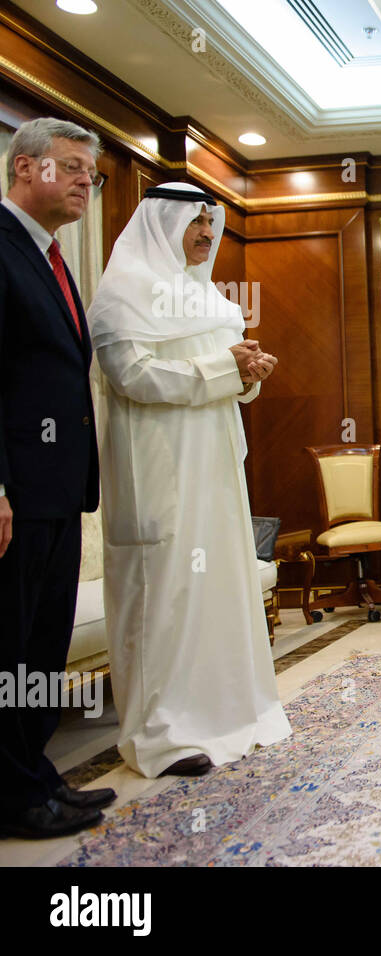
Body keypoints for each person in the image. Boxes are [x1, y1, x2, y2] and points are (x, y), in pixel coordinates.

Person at [87, 182, 290, 778]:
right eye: (194, 221)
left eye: (211, 221)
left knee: (218, 592)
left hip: (216, 472)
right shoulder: (122, 293)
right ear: (159, 223)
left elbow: (229, 379)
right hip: (158, 475)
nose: (206, 232)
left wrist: (249, 372)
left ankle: (227, 715)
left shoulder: (216, 303)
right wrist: (224, 367)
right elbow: (132, 376)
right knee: (166, 598)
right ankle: (162, 735)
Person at [0, 117, 117, 838]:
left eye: (91, 174)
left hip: (57, 493)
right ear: (25, 167)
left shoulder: (49, 256)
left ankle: (34, 775)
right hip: (16, 493)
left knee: (40, 649)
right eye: (71, 168)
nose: (84, 183)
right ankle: (12, 797)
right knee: (8, 651)